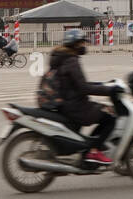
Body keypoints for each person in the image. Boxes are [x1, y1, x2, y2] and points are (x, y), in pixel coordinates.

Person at [39, 28, 116, 166]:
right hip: (76, 106)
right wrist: (110, 90)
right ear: (75, 44)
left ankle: (87, 148)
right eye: (82, 43)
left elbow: (77, 84)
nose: (84, 46)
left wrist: (103, 85)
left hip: (66, 103)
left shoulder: (61, 58)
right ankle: (93, 150)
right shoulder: (71, 61)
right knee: (110, 117)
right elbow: (84, 88)